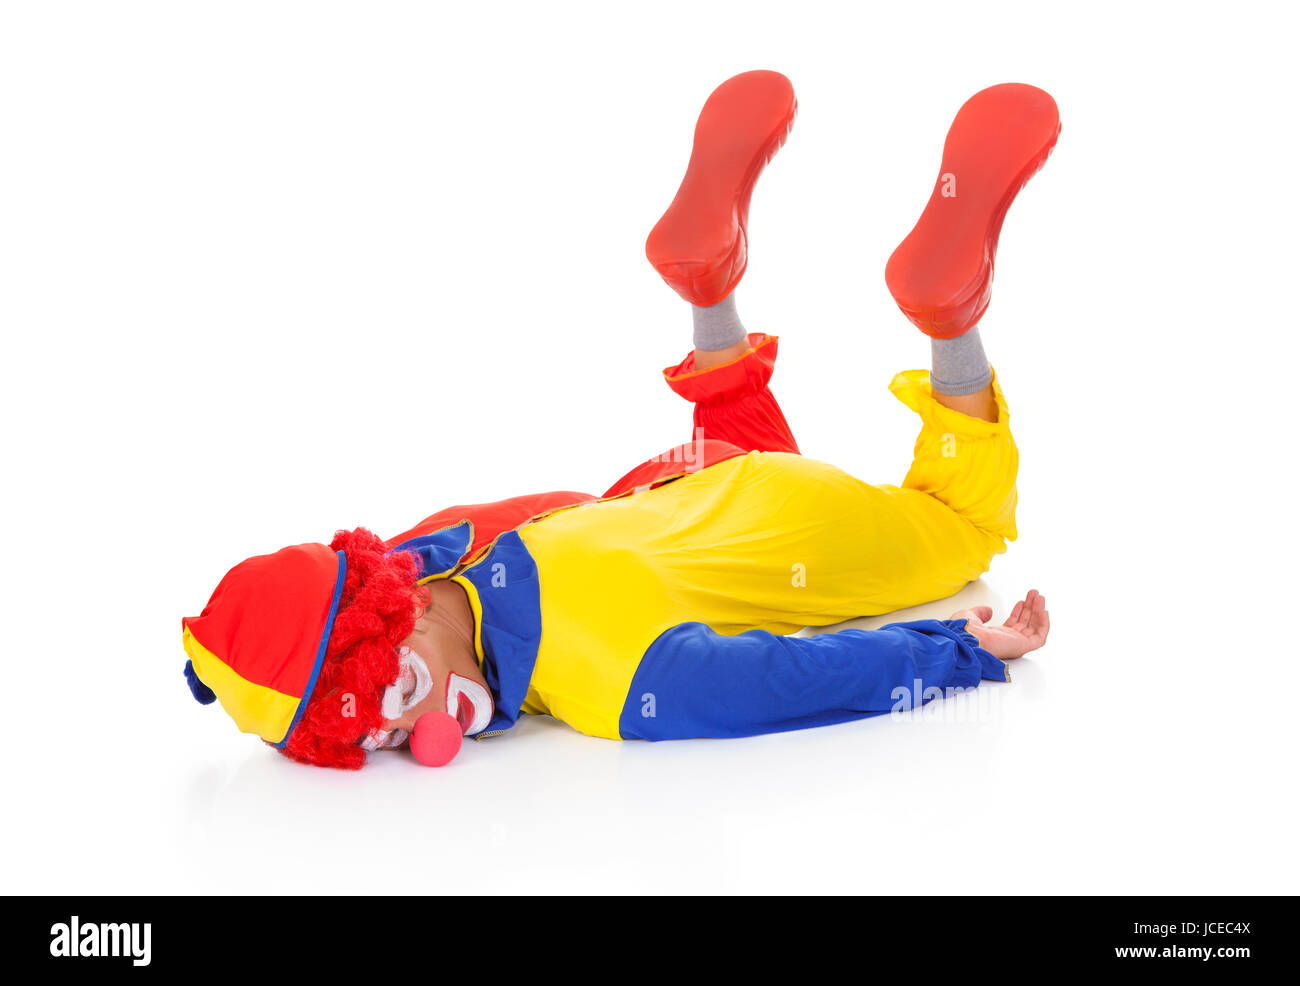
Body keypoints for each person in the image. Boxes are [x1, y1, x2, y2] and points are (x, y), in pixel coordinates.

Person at [181, 71, 1056, 768]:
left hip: (791, 524)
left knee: (964, 523)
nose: (420, 736)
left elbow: (782, 683)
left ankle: (954, 316)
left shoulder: (601, 676)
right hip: (686, 478)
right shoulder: (450, 546)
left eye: (401, 687)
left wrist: (959, 649)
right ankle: (708, 285)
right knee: (746, 454)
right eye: (378, 738)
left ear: (394, 617)